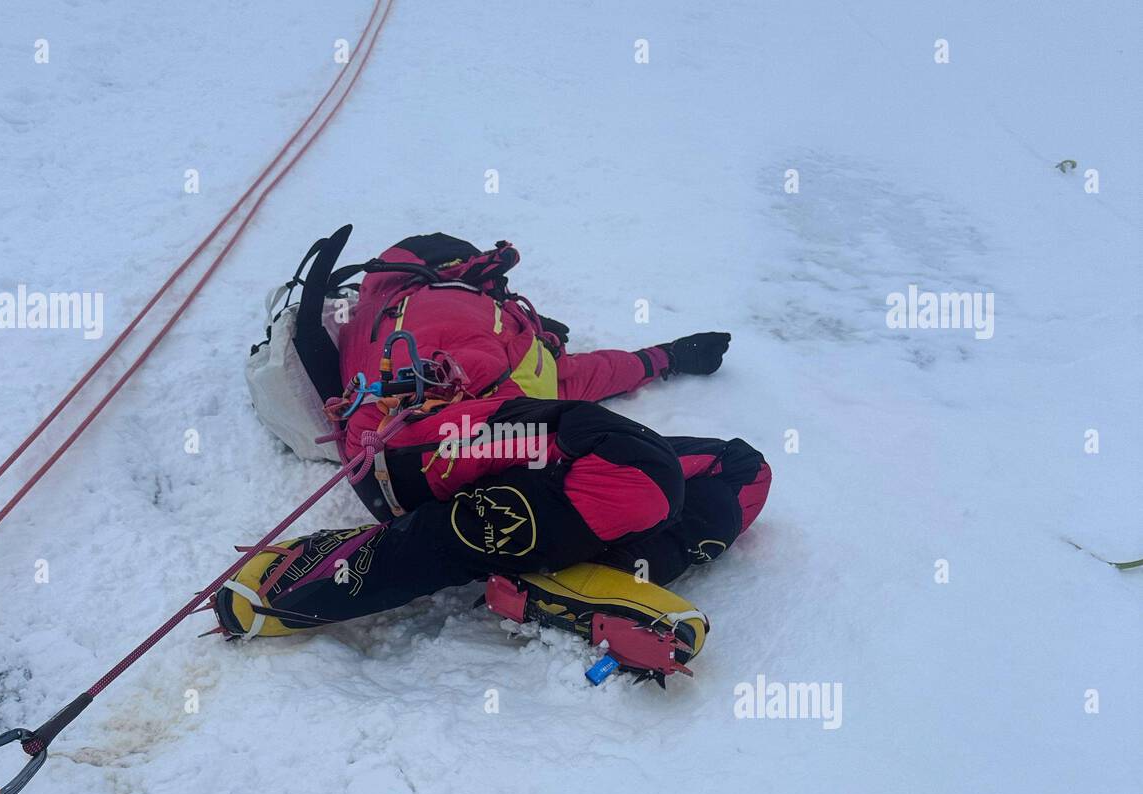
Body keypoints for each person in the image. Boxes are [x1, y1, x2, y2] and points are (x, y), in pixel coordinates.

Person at [213, 233, 770, 683]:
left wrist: (668, 356)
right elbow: (421, 341)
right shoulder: (408, 298)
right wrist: (469, 352)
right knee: (638, 469)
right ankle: (329, 578)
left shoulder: (523, 341)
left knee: (743, 469)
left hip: (506, 453)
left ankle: (575, 579)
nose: (504, 283)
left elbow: (584, 376)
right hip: (415, 440)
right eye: (494, 275)